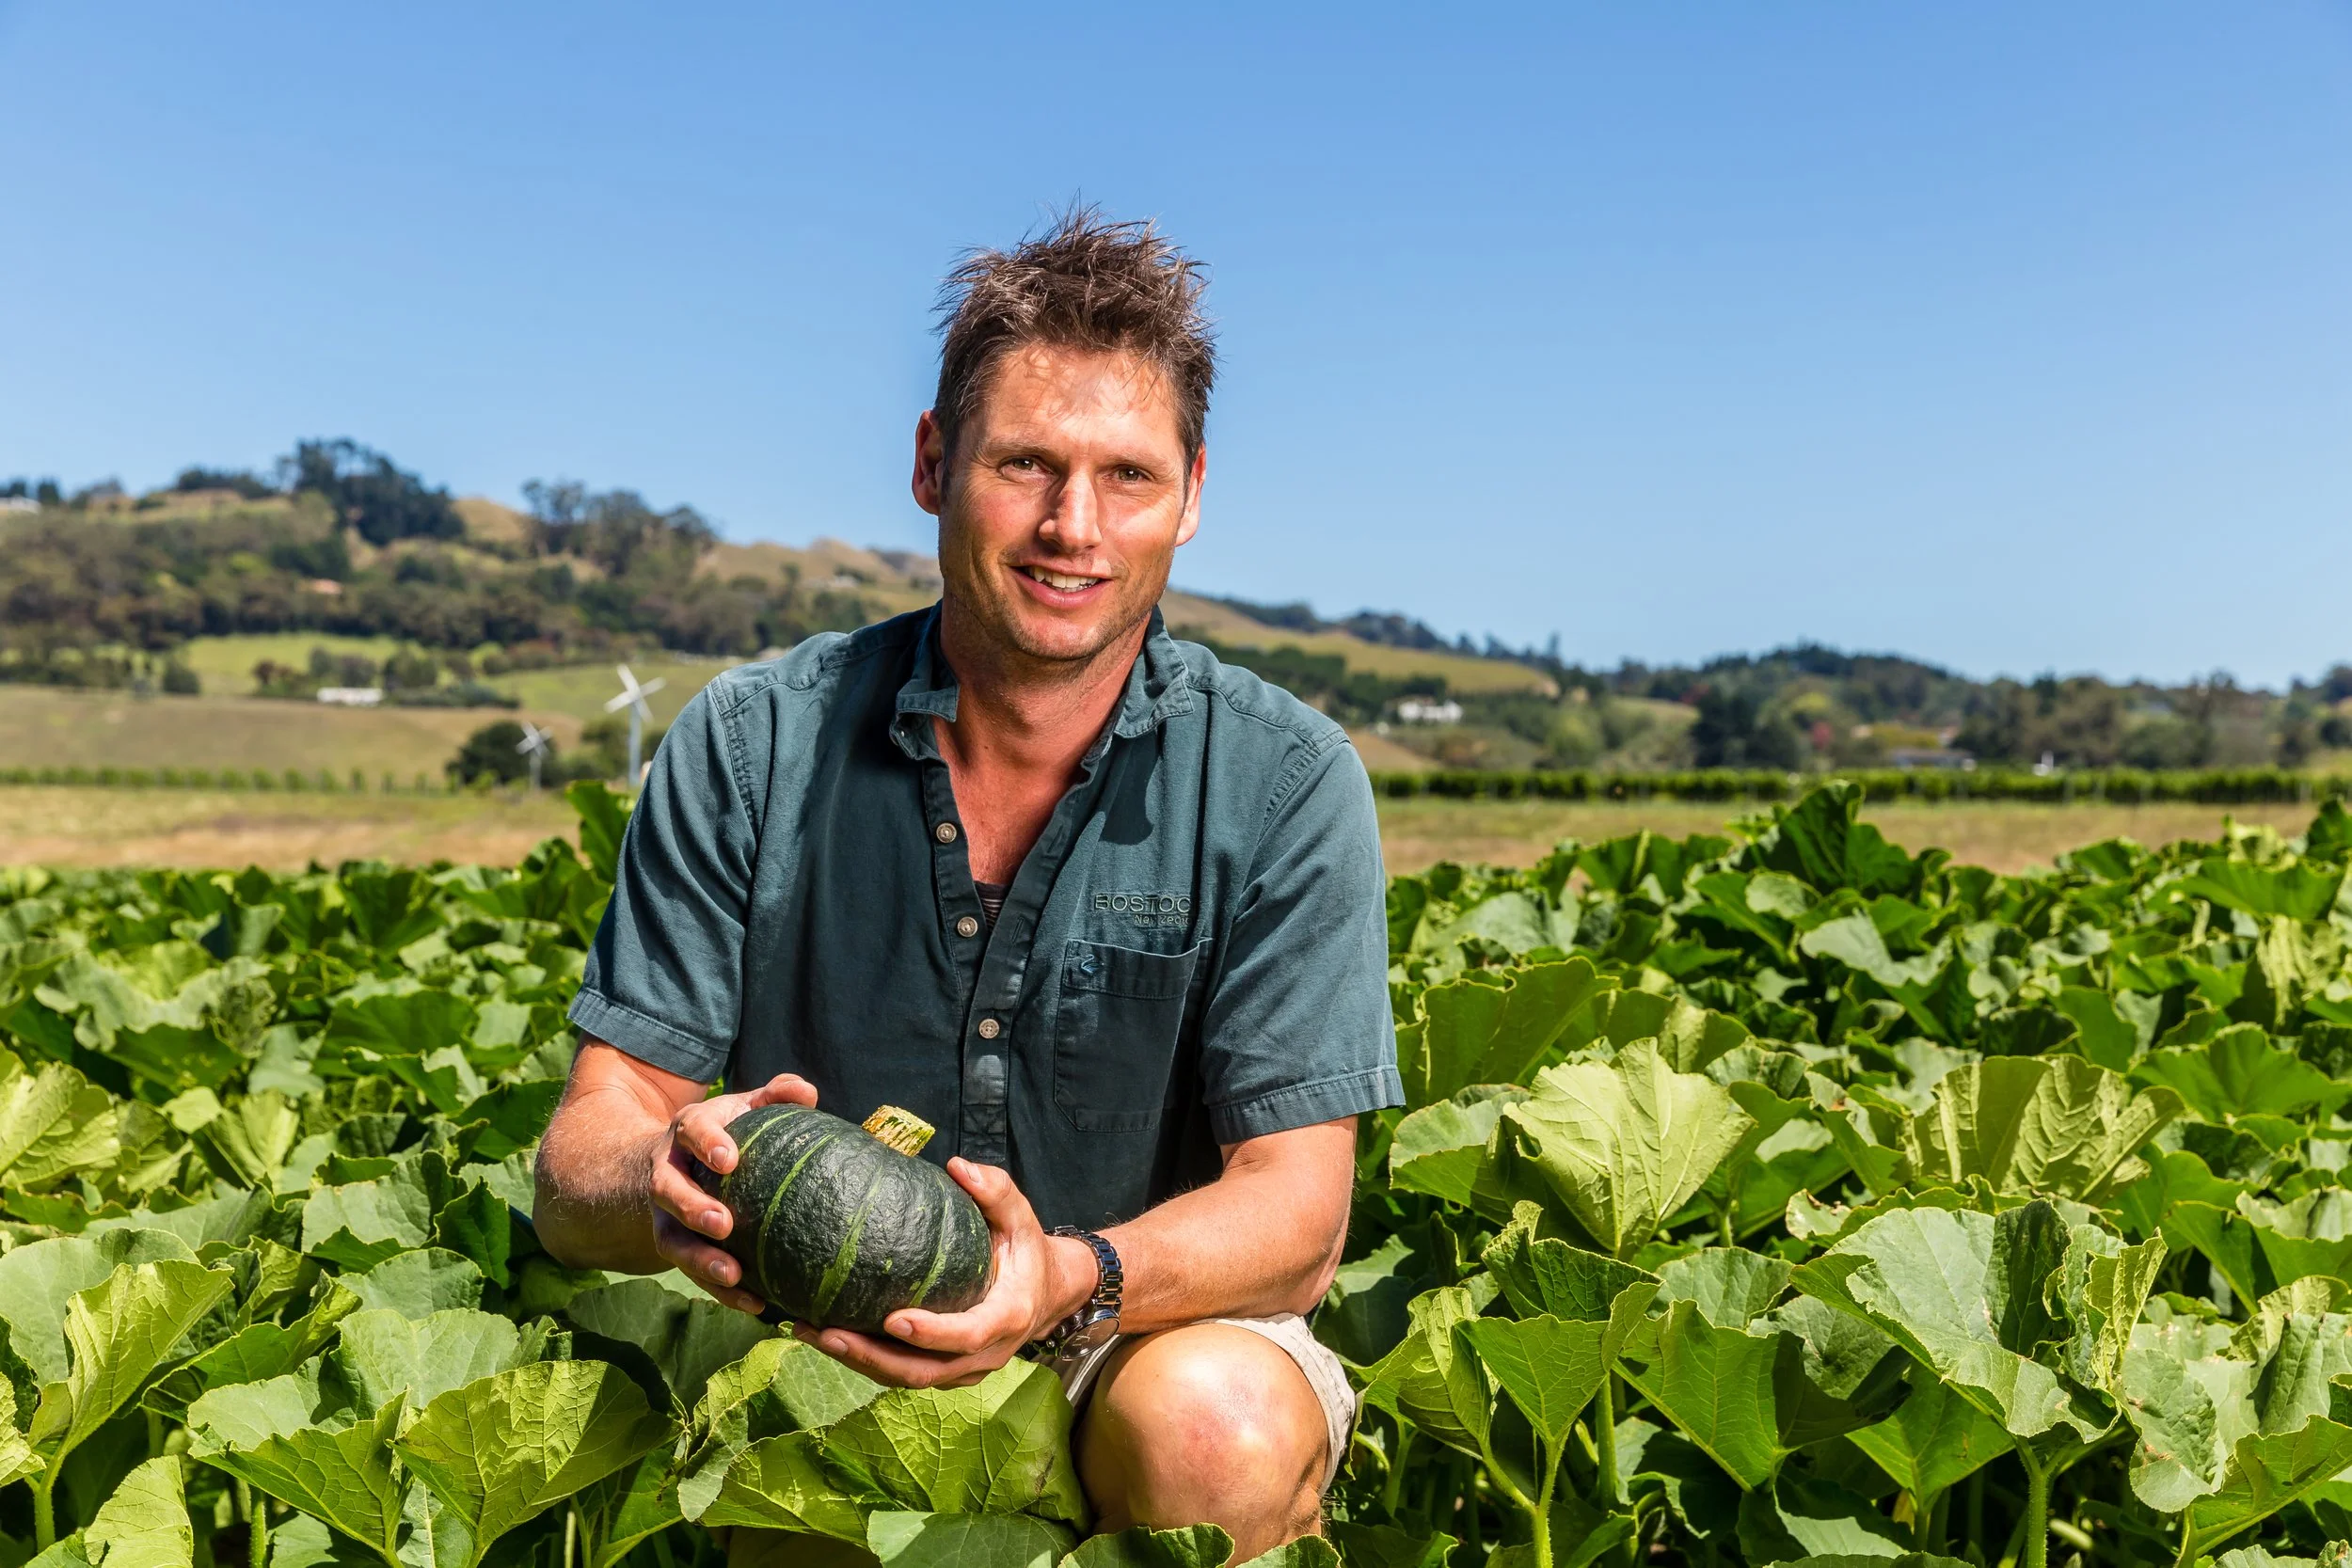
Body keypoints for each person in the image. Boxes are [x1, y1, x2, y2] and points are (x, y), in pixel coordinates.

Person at [532, 210, 1400, 1560]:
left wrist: (1067, 1276)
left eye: (1127, 474)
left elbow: (1299, 1214)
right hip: (796, 1335)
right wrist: (664, 1174)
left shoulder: (1284, 782)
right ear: (935, 464)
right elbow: (580, 1155)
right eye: (1025, 466)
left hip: (1122, 1329)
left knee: (1216, 1428)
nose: (1074, 526)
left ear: (1194, 491)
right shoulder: (752, 743)